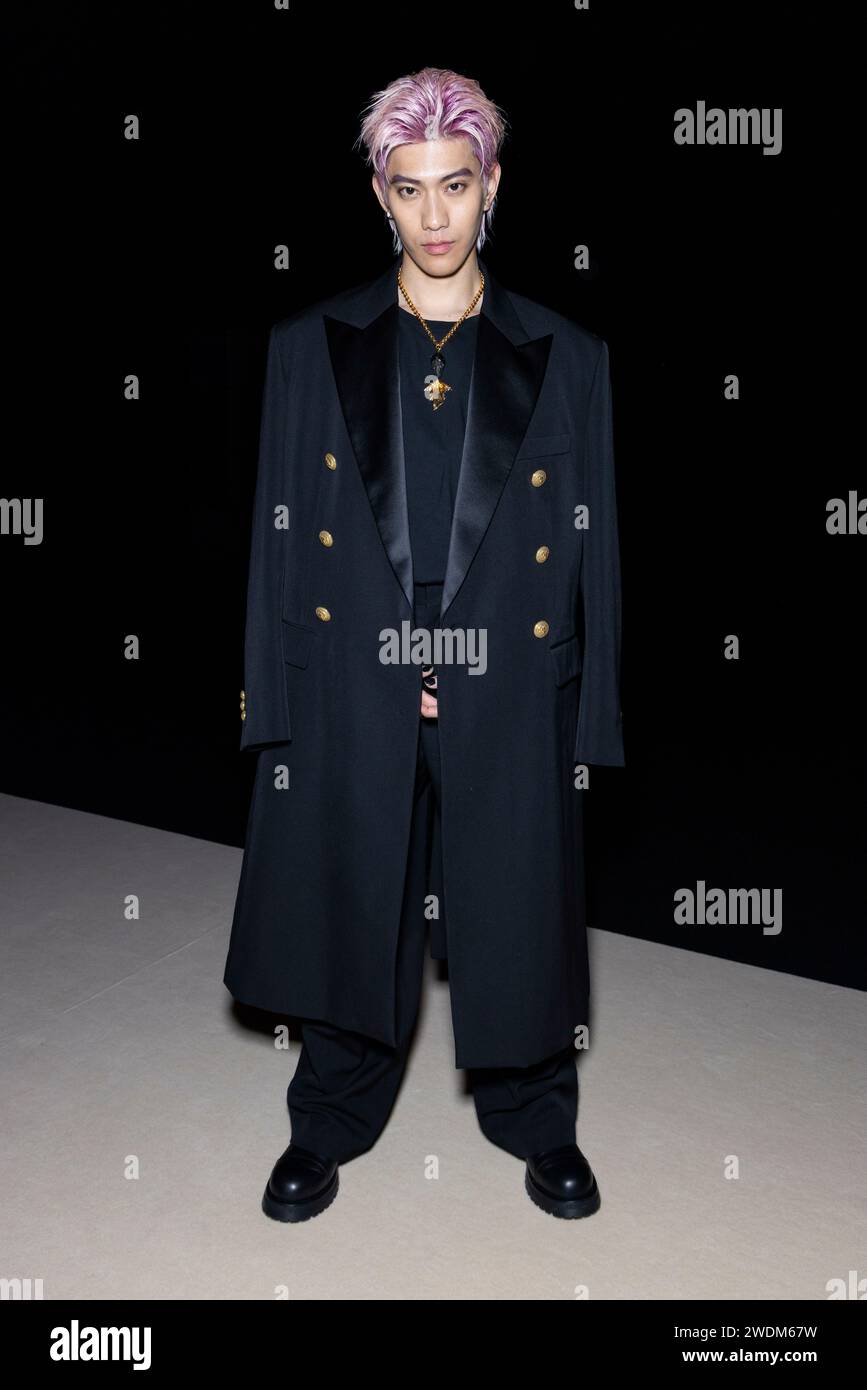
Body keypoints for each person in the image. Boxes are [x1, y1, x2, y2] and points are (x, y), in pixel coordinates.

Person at [223, 66, 625, 1222]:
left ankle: (537, 1115)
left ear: (493, 183)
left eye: (457, 185)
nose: (436, 216)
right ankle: (331, 1116)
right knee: (353, 898)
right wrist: (274, 701)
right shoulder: (312, 344)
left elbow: (596, 546)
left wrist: (592, 708)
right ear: (379, 195)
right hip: (356, 675)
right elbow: (275, 536)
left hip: (512, 676)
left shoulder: (569, 353)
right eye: (411, 190)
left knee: (519, 903)